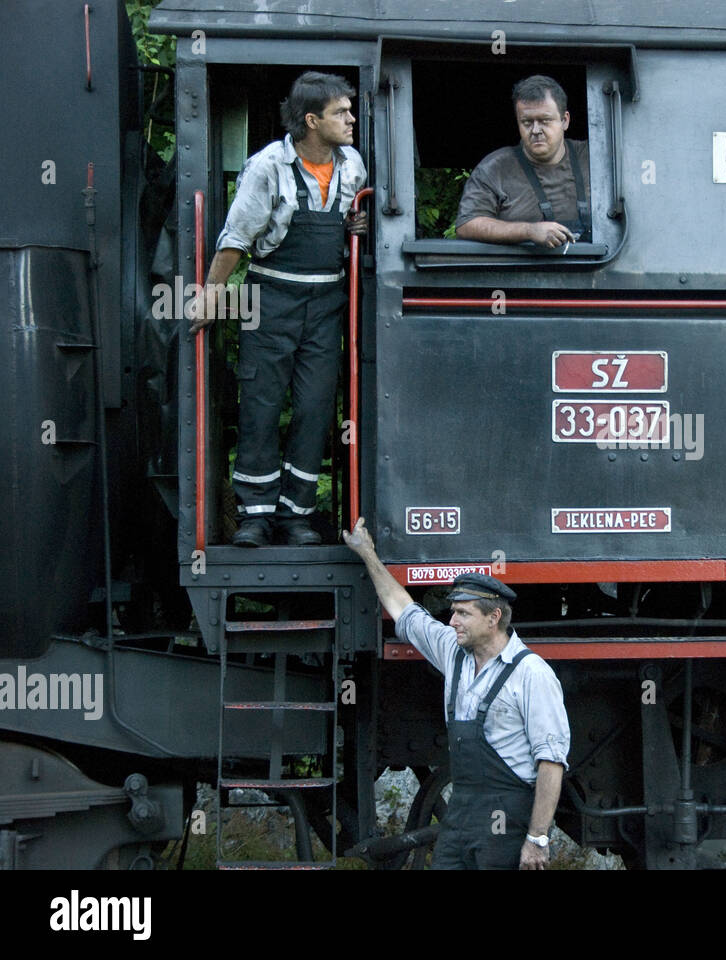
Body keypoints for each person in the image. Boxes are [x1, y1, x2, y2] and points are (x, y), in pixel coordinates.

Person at [189, 71, 368, 547]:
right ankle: (255, 515)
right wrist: (211, 295)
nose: (352, 118)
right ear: (311, 121)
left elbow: (355, 229)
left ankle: (296, 515)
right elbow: (236, 239)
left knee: (313, 409)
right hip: (271, 299)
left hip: (327, 303)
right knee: (262, 407)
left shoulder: (352, 164)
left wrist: (359, 225)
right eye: (341, 113)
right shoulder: (267, 165)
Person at [344, 518, 570, 870]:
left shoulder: (532, 674)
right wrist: (368, 554)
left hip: (506, 819)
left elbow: (551, 763)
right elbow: (404, 609)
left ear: (494, 617)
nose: (452, 622)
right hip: (462, 812)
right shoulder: (453, 652)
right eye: (453, 613)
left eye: (463, 613)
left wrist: (537, 838)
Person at [455, 75, 591, 248]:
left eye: (544, 121)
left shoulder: (595, 156)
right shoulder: (494, 167)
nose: (535, 130)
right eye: (527, 122)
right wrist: (528, 231)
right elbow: (466, 225)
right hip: (520, 274)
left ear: (565, 120)